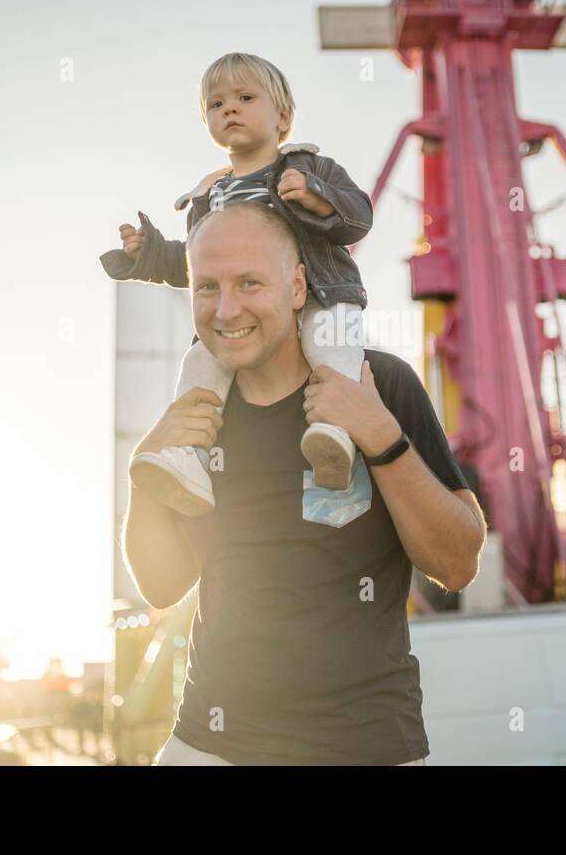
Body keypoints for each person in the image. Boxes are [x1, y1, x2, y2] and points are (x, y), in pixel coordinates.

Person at [123, 199, 486, 765]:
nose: (226, 310)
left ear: (297, 286)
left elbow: (459, 562)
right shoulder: (197, 414)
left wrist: (380, 436)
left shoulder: (380, 384)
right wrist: (144, 471)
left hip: (365, 746)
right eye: (206, 288)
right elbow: (163, 586)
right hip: (213, 743)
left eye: (249, 283)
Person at [100, 52, 373, 515]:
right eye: (215, 104)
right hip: (241, 315)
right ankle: (190, 458)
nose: (229, 109)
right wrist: (146, 253)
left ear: (283, 116)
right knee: (199, 364)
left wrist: (317, 197)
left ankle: (336, 436)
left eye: (245, 98)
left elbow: (358, 216)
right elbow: (192, 266)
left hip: (320, 294)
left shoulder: (310, 168)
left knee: (335, 344)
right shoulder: (208, 197)